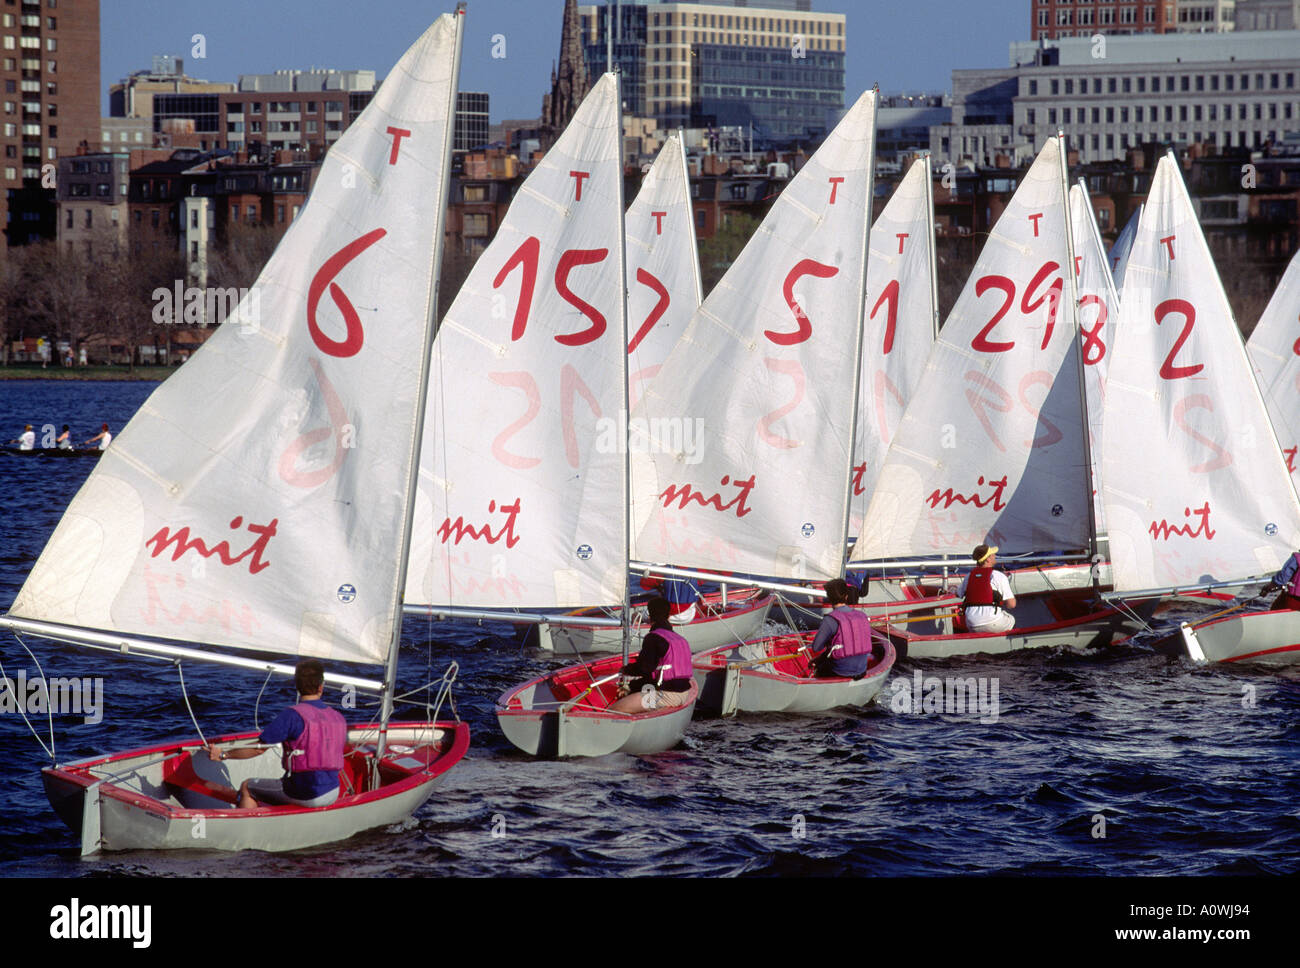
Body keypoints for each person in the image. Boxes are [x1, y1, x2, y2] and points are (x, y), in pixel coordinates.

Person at [207, 659, 347, 809]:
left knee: (247, 787)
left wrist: (223, 755)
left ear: (297, 686)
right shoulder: (338, 717)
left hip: (305, 793)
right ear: (321, 687)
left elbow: (259, 748)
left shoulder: (292, 715)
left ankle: (246, 830)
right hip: (333, 791)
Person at [608, 597, 694, 713]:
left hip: (666, 696)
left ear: (649, 617)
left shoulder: (654, 637)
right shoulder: (680, 639)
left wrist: (626, 670)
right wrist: (632, 686)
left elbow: (644, 669)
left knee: (616, 709)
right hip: (684, 693)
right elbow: (655, 673)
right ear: (668, 617)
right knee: (636, 695)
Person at [803, 577, 885, 678]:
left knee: (817, 665)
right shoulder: (862, 615)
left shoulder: (830, 620)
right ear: (846, 597)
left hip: (840, 672)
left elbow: (816, 648)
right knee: (825, 657)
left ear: (829, 598)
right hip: (862, 670)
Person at [959, 544, 1017, 633]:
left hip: (971, 623)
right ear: (988, 559)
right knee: (1011, 619)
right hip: (992, 623)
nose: (995, 556)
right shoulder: (998, 576)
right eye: (993, 554)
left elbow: (958, 594)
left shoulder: (968, 576)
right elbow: (1011, 605)